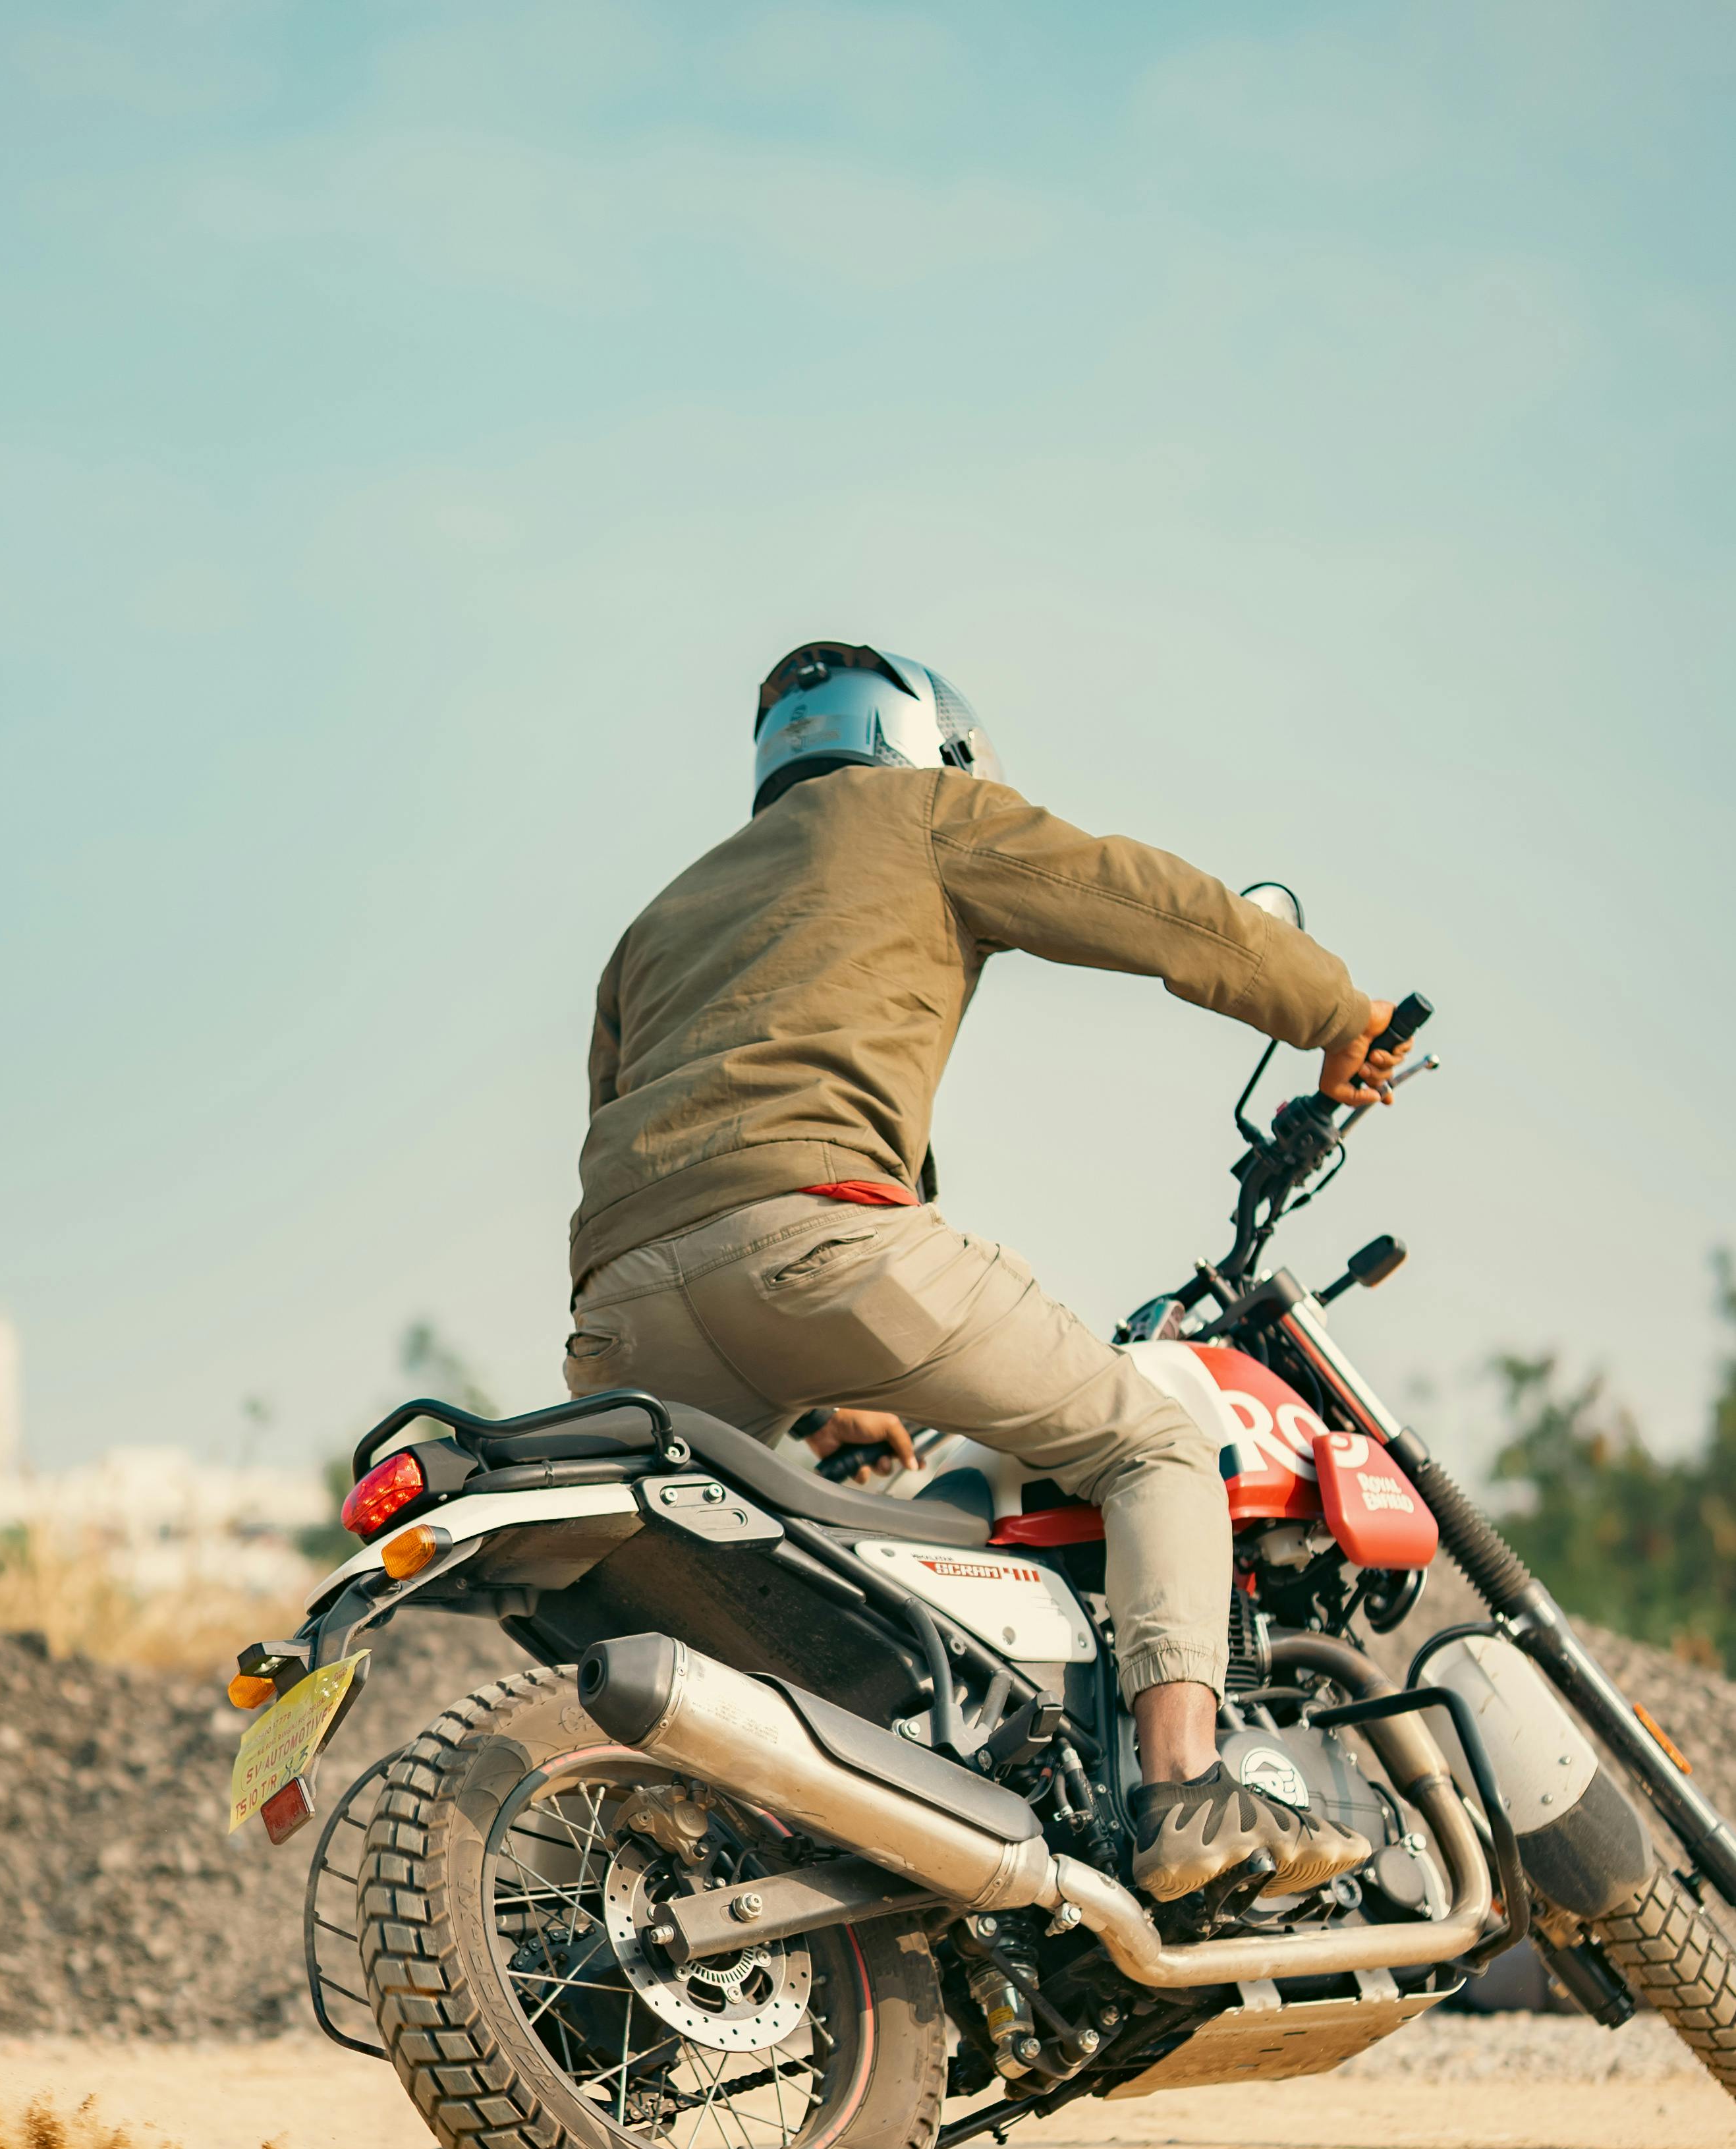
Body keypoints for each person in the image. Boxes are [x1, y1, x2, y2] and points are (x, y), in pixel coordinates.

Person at [563, 641, 1411, 1903]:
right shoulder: (916, 814)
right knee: (1156, 1447)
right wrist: (1334, 1013)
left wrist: (825, 1378)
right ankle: (1183, 1792)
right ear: (932, 746)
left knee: (733, 1576)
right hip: (829, 1246)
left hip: (626, 1309)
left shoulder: (659, 919)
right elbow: (1146, 904)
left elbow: (639, 1133)